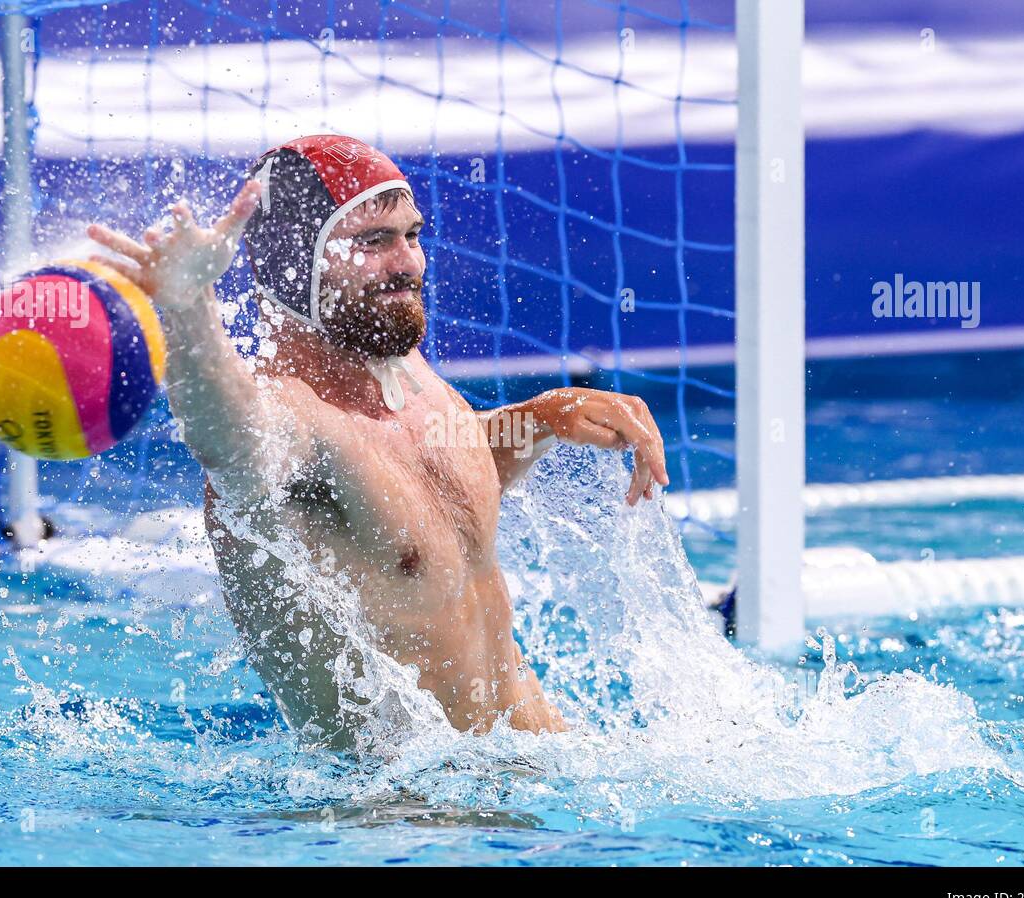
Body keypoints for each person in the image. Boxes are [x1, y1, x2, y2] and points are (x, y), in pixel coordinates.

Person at [87, 134, 669, 747]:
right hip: (400, 822)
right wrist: (184, 308)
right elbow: (226, 436)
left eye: (412, 236)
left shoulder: (402, 371)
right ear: (295, 265)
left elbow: (433, 498)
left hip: (538, 769)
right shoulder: (291, 418)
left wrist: (542, 417)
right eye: (373, 241)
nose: (410, 263)